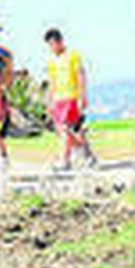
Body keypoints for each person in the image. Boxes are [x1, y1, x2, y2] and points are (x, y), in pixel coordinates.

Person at [44, 28, 96, 170]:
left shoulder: (72, 56)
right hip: (58, 99)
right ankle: (86, 153)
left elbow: (81, 75)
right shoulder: (51, 61)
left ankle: (65, 160)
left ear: (60, 42)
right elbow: (51, 82)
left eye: (53, 44)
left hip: (71, 97)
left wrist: (82, 96)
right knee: (70, 131)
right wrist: (49, 101)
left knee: (65, 129)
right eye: (49, 45)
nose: (52, 48)